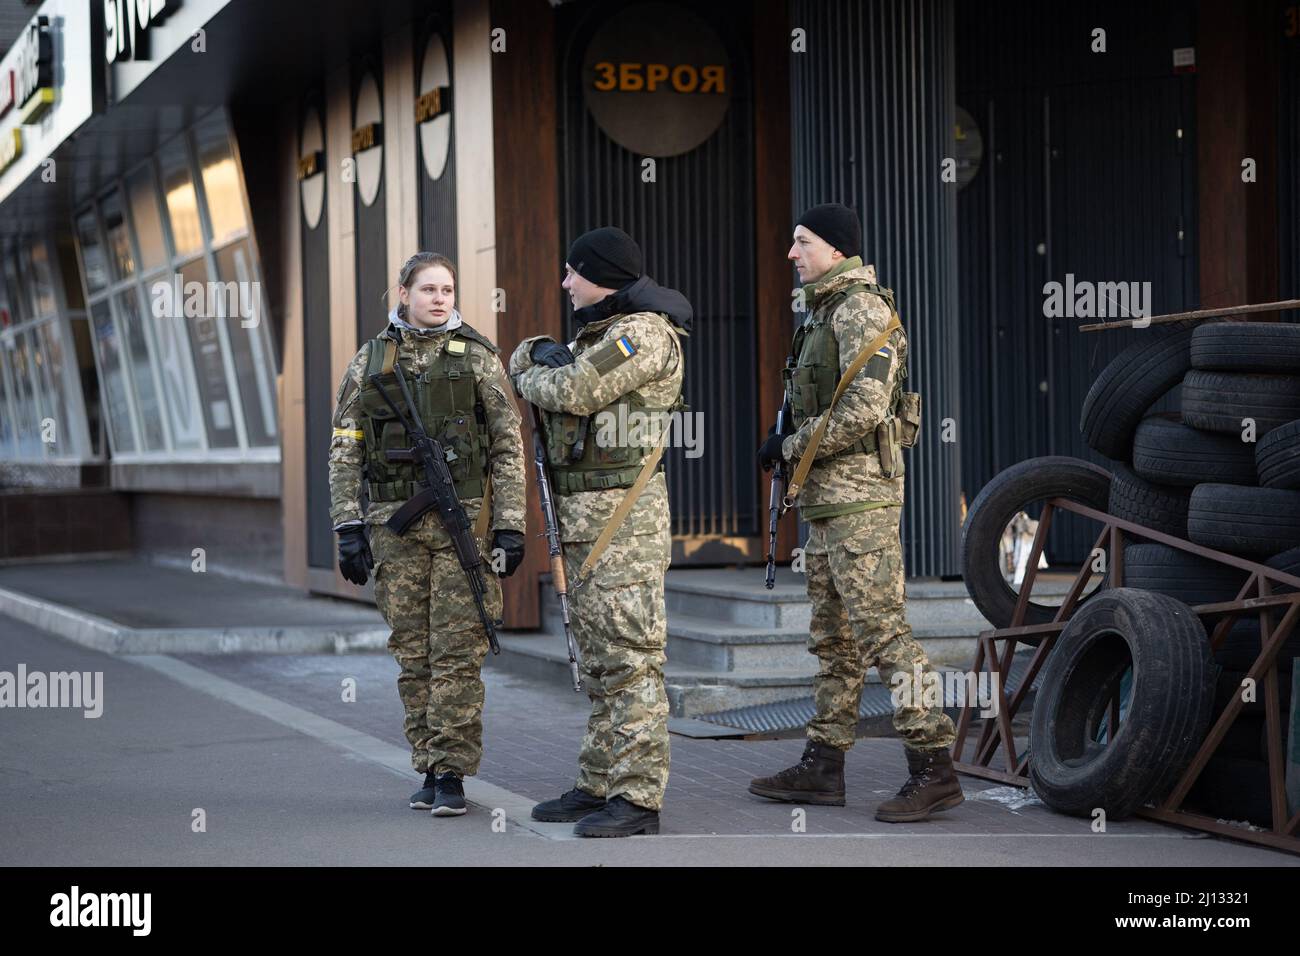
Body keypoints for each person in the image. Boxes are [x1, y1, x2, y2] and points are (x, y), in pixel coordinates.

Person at [748, 203, 963, 822]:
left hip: (861, 501)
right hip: (828, 499)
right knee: (835, 640)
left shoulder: (862, 309)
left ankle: (934, 766)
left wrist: (787, 446)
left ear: (837, 250)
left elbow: (866, 410)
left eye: (802, 242)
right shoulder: (823, 312)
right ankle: (823, 764)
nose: (792, 253)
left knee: (884, 634)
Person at [327, 252, 526, 818]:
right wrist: (348, 527)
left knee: (457, 653)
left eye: (448, 289)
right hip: (395, 529)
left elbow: (508, 447)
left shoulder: (479, 358)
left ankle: (453, 774)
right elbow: (346, 447)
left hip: (464, 525)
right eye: (429, 289)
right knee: (413, 653)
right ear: (404, 292)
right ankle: (428, 764)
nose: (440, 298)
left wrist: (510, 526)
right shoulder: (371, 359)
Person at [508, 227, 690, 837]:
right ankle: (599, 780)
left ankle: (638, 798)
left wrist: (531, 361)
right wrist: (533, 349)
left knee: (631, 661)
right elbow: (538, 368)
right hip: (588, 528)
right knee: (600, 663)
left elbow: (575, 391)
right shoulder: (602, 333)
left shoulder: (642, 334)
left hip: (623, 530)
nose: (565, 283)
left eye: (572, 272)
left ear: (601, 274)